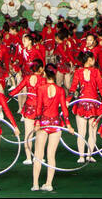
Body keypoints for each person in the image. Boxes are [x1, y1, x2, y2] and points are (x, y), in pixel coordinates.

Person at [31, 64, 76, 192]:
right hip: (56, 123)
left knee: (38, 154)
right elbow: (64, 109)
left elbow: (38, 107)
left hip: (44, 123)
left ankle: (35, 184)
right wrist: (68, 125)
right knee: (51, 155)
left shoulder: (41, 88)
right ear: (55, 74)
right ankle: (48, 184)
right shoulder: (60, 90)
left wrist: (37, 122)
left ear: (45, 74)